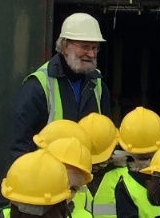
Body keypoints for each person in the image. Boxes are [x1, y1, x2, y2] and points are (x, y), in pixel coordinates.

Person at [9, 12, 107, 157]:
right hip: (50, 176)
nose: (92, 54)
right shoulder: (38, 86)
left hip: (90, 174)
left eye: (94, 48)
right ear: (66, 46)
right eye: (85, 47)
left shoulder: (98, 83)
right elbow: (20, 146)